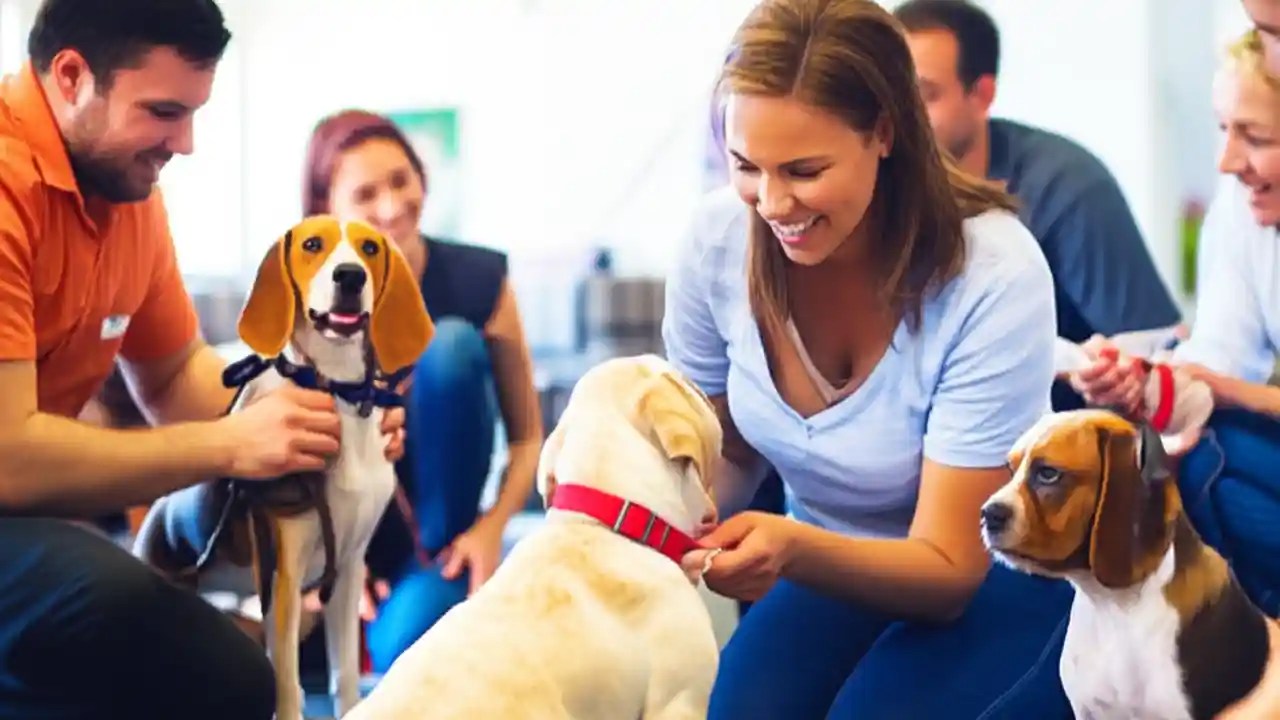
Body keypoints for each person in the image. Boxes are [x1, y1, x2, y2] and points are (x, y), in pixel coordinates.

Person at [662, 1, 1073, 717]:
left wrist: (790, 548)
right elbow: (722, 452)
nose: (772, 202)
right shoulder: (716, 240)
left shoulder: (993, 272)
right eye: (746, 166)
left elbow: (950, 568)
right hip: (831, 564)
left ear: (884, 132)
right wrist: (643, 528)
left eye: (804, 170)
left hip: (994, 576)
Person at [0, 2, 406, 718]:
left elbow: (174, 376)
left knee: (230, 674)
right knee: (155, 633)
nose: (184, 143)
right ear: (71, 77)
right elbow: (9, 458)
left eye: (193, 113)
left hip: (26, 517)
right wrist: (232, 444)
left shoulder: (127, 190)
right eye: (164, 112)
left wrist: (323, 408)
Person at [301, 109, 544, 673]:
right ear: (325, 210)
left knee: (451, 343)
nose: (391, 207)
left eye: (400, 180)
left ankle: (435, 575)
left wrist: (490, 531)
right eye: (365, 194)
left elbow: (528, 439)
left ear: (422, 179)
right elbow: (292, 458)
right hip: (357, 541)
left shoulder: (480, 281)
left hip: (450, 538)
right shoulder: (302, 303)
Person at [1071, 26, 1280, 617]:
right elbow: (1217, 360)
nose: (1227, 161)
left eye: (1256, 137)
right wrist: (1140, 384)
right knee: (1188, 458)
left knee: (1212, 465)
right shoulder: (1241, 212)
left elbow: (1225, 385)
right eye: (1223, 130)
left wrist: (1226, 391)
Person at [893, 0, 1183, 412]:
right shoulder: (870, 182)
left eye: (925, 95)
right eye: (891, 93)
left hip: (1049, 424)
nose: (901, 116)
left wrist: (1101, 369)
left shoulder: (1067, 185)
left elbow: (1156, 344)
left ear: (982, 95)